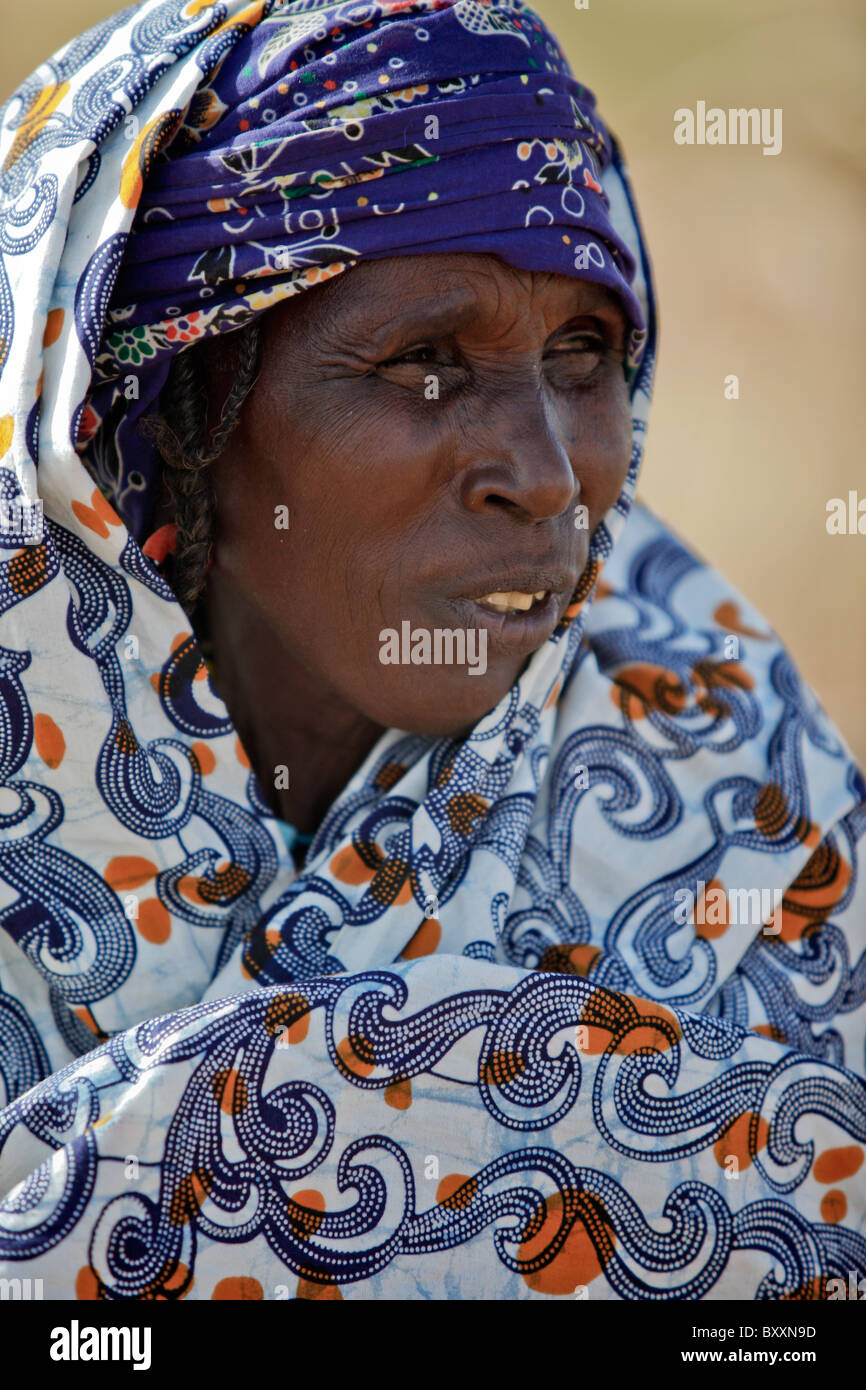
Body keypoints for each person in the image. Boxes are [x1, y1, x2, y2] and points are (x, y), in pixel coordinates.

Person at [0, 0, 863, 1301]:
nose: (542, 474)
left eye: (584, 354)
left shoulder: (731, 789)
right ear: (163, 406)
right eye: (421, 364)